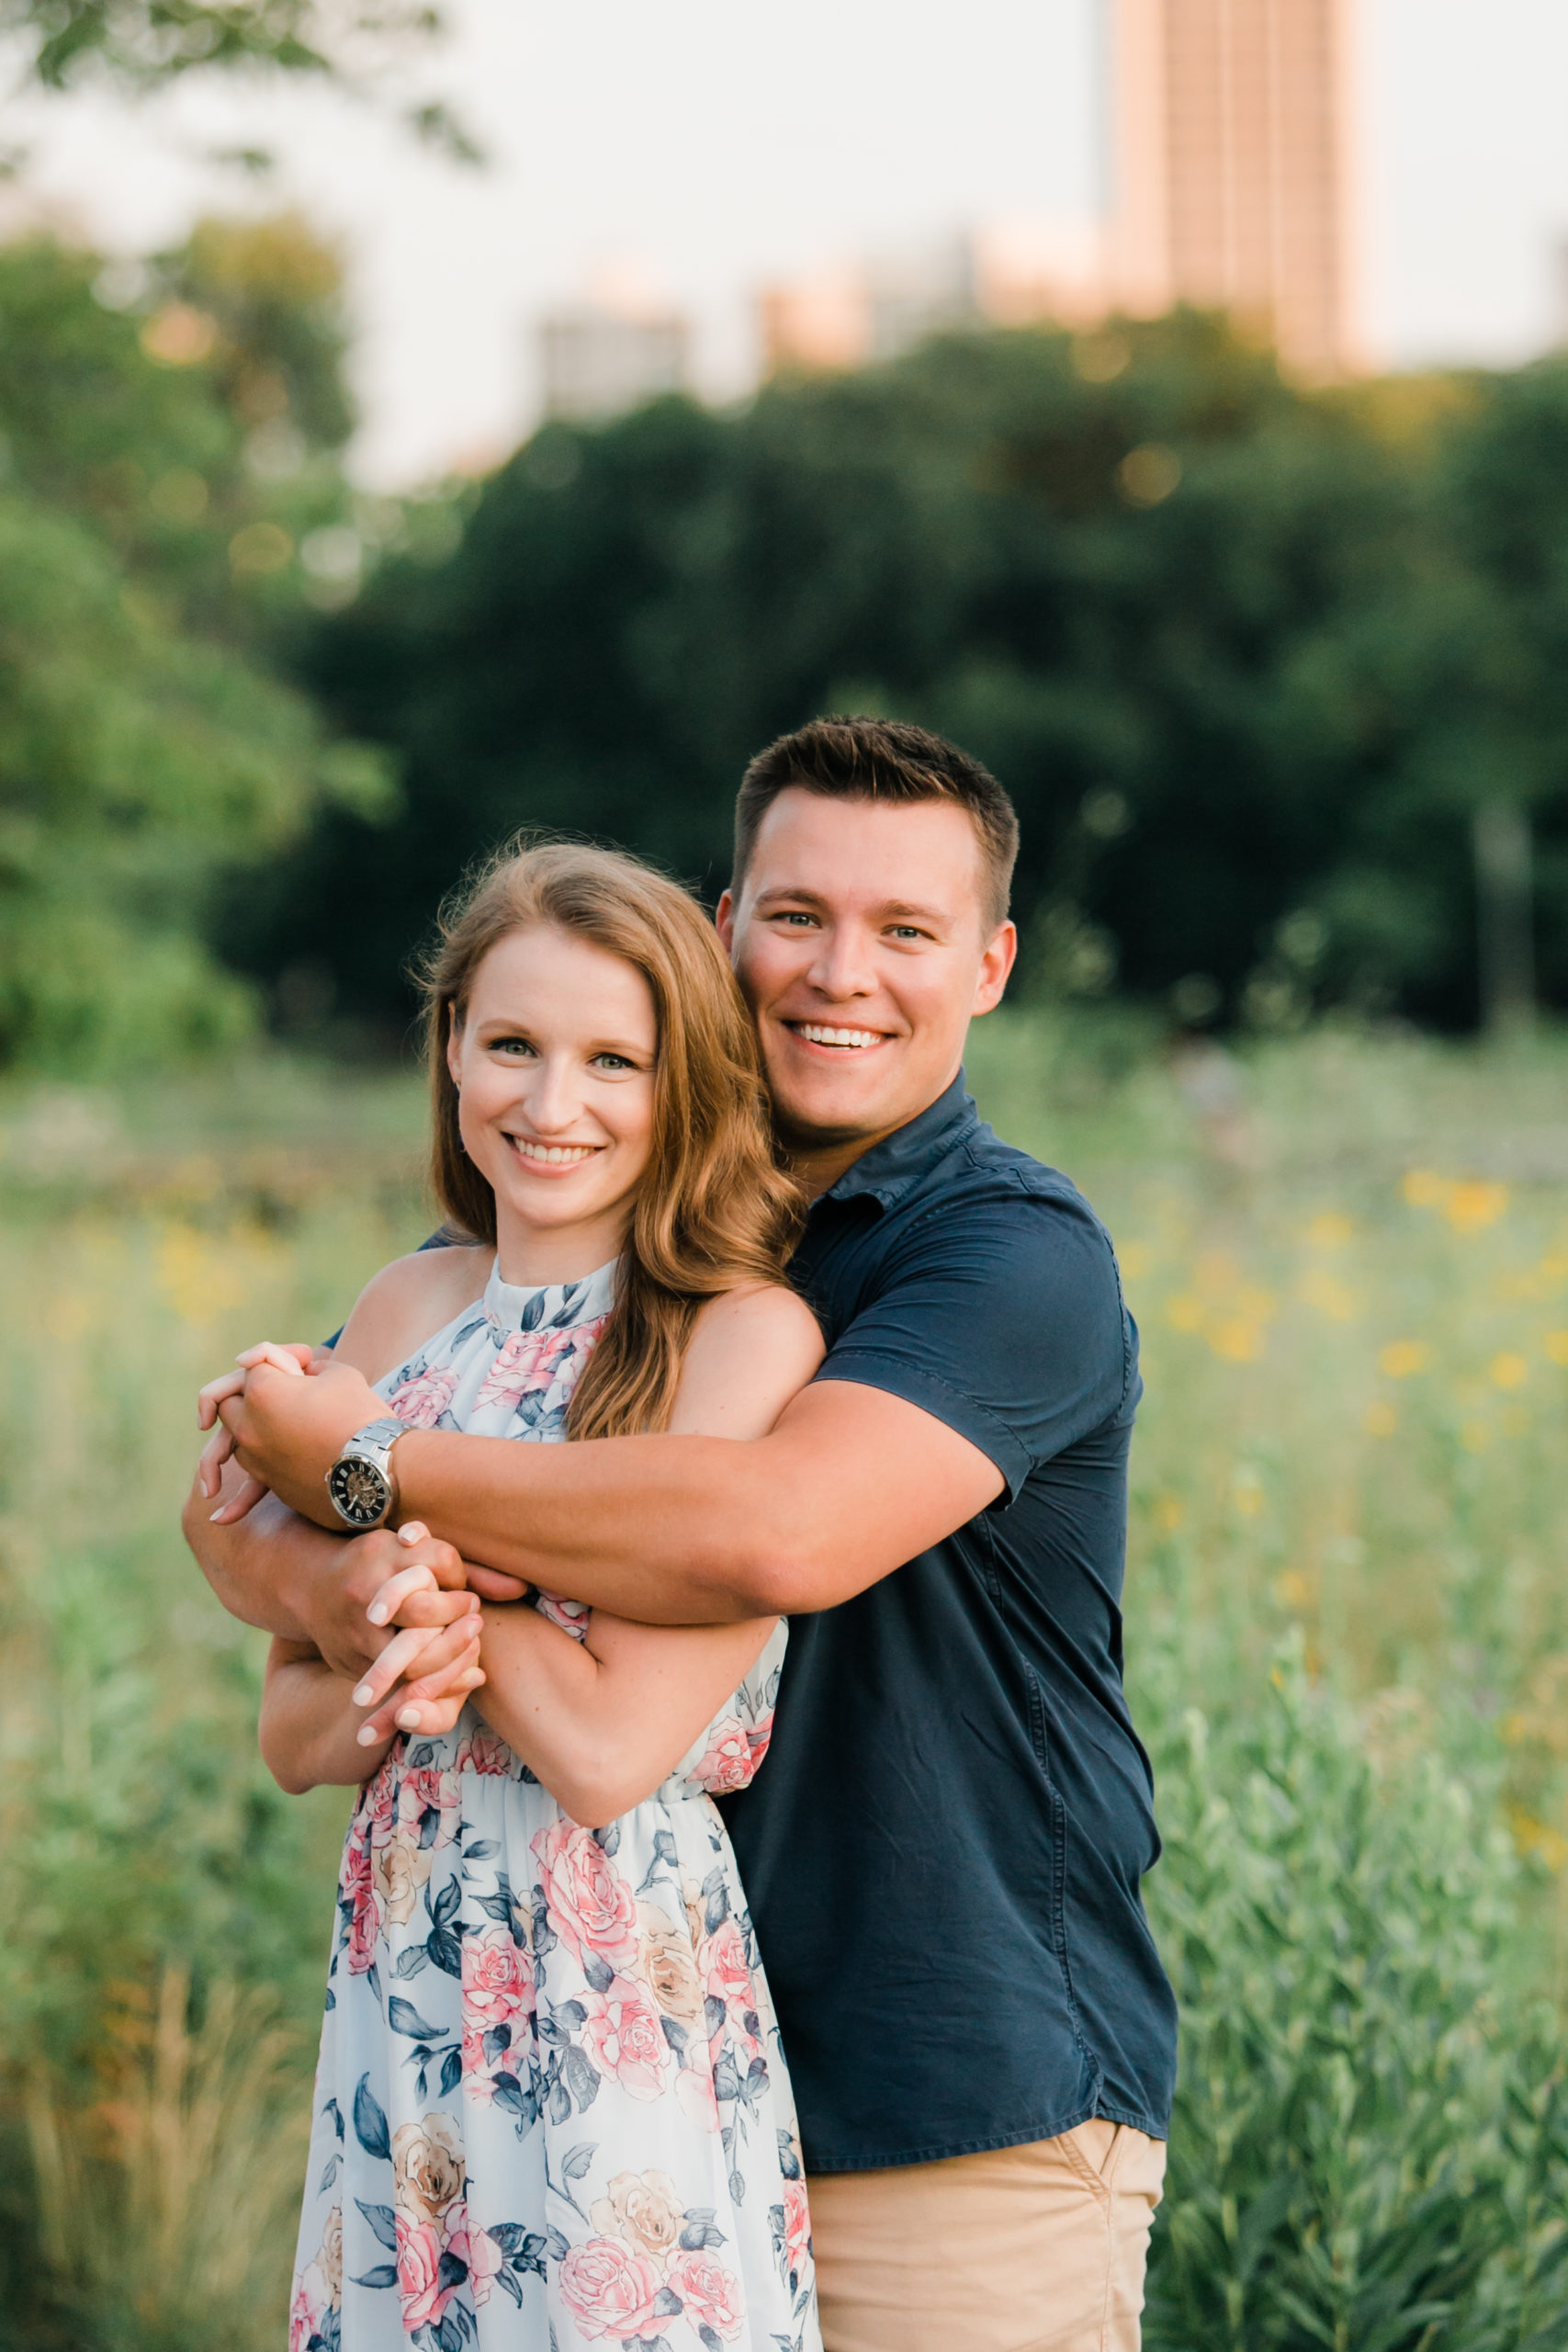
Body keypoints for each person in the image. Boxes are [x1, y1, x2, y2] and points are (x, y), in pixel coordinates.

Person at [187, 718, 1179, 2352]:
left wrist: (371, 1481)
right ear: (724, 924)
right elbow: (241, 1531)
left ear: (990, 965)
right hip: (559, 2054)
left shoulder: (1008, 1255)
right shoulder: (575, 1232)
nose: (838, 972)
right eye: (796, 915)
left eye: (906, 931)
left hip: (936, 2104)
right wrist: (352, 1563)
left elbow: (769, 1534)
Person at [199, 842, 824, 2352]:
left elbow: (611, 1755)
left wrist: (408, 1547)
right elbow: (295, 1732)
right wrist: (391, 1598)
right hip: (405, 1979)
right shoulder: (405, 1312)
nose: (553, 1107)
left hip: (612, 1986)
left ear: (687, 1088)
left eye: (616, 1060)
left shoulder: (741, 1342)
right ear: (451, 1049)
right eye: (513, 1047)